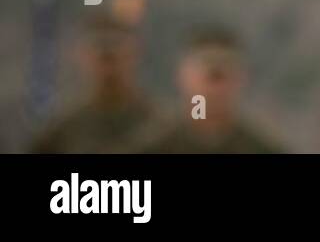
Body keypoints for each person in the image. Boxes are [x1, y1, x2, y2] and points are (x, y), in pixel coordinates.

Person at [133, 25, 283, 153]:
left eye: (223, 75)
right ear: (182, 76)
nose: (214, 89)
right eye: (208, 75)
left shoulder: (261, 149)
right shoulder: (154, 147)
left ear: (242, 79)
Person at [27, 12, 159, 153]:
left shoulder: (158, 128)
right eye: (102, 58)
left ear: (135, 55)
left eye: (114, 57)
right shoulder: (60, 134)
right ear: (82, 56)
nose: (109, 69)